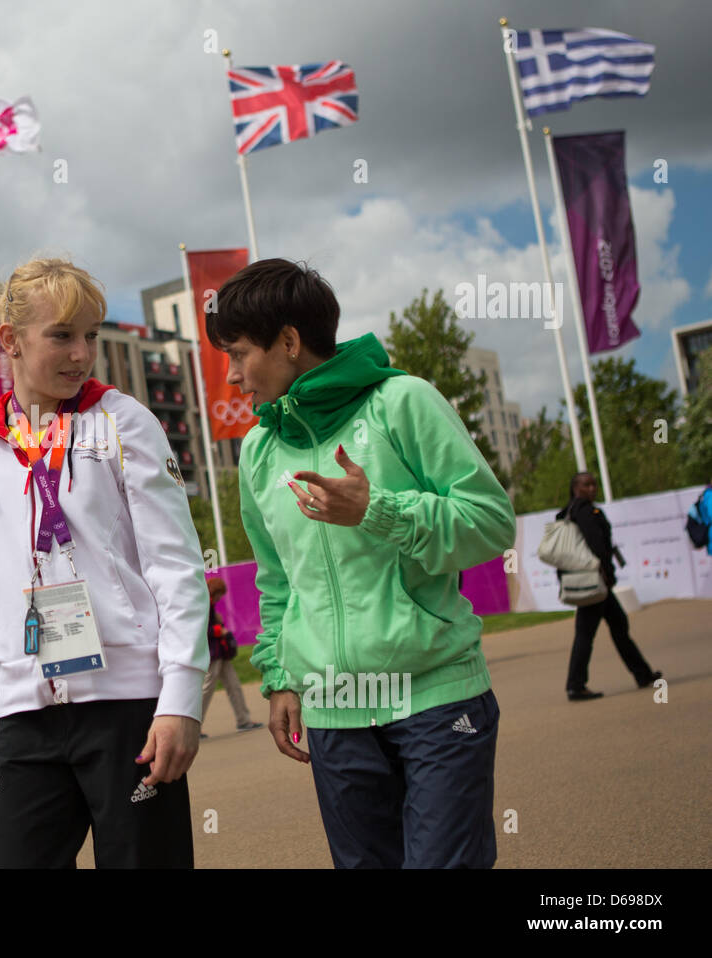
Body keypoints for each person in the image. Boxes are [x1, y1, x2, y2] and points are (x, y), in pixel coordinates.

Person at [209, 258, 515, 869]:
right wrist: (280, 677)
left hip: (438, 698)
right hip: (333, 713)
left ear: (290, 342)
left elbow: (490, 522)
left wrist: (381, 510)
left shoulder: (405, 401)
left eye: (240, 353)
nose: (234, 376)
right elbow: (276, 582)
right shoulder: (260, 451)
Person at [0, 257, 209, 868]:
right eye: (62, 335)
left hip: (129, 710)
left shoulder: (125, 422)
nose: (82, 354)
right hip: (23, 712)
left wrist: (179, 697)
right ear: (10, 340)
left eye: (92, 336)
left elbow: (175, 566)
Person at [557, 472, 662, 701]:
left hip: (592, 582)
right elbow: (596, 545)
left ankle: (642, 673)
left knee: (618, 625)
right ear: (576, 488)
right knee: (587, 633)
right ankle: (575, 685)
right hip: (595, 582)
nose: (592, 488)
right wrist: (606, 572)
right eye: (586, 484)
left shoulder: (569, 512)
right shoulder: (584, 511)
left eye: (594, 484)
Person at [199, 578, 263, 736]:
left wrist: (217, 624)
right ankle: (192, 726)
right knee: (206, 690)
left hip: (221, 653)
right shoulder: (203, 603)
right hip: (213, 654)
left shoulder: (209, 604)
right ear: (216, 591)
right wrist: (217, 630)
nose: (221, 598)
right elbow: (200, 630)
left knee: (234, 686)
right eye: (221, 594)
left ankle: (244, 720)